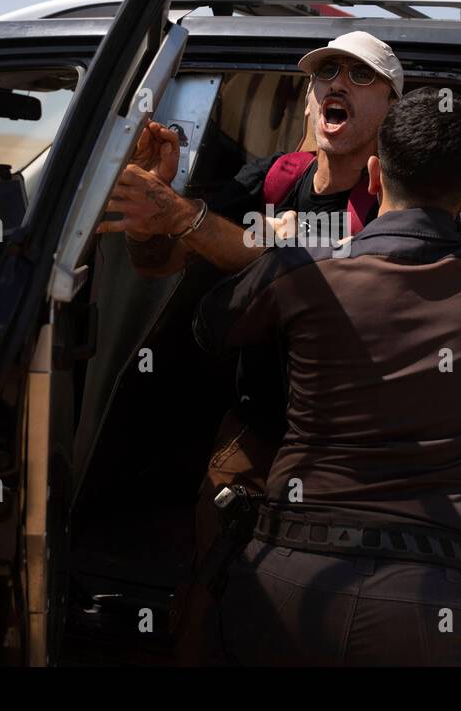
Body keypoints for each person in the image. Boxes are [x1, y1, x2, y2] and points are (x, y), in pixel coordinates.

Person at [99, 32, 403, 659]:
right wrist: (150, 215)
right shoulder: (274, 177)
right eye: (325, 74)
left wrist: (182, 216)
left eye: (360, 75)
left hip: (342, 455)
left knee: (309, 614)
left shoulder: (392, 200)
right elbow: (165, 260)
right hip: (257, 432)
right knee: (209, 597)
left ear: (393, 109)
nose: (335, 84)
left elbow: (296, 261)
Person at [194, 86, 461, 665]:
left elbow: (209, 326)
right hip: (430, 598)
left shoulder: (303, 272)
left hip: (289, 583)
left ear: (373, 175)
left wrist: (278, 247)